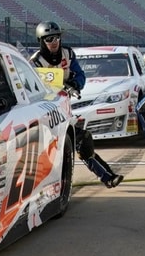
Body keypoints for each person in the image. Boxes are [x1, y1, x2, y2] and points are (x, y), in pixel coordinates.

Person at [30, 21, 123, 188]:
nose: (54, 42)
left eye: (57, 37)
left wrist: (75, 83)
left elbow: (80, 75)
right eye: (49, 39)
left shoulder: (68, 53)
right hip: (44, 114)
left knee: (82, 140)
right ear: (41, 41)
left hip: (63, 111)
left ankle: (108, 177)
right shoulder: (35, 62)